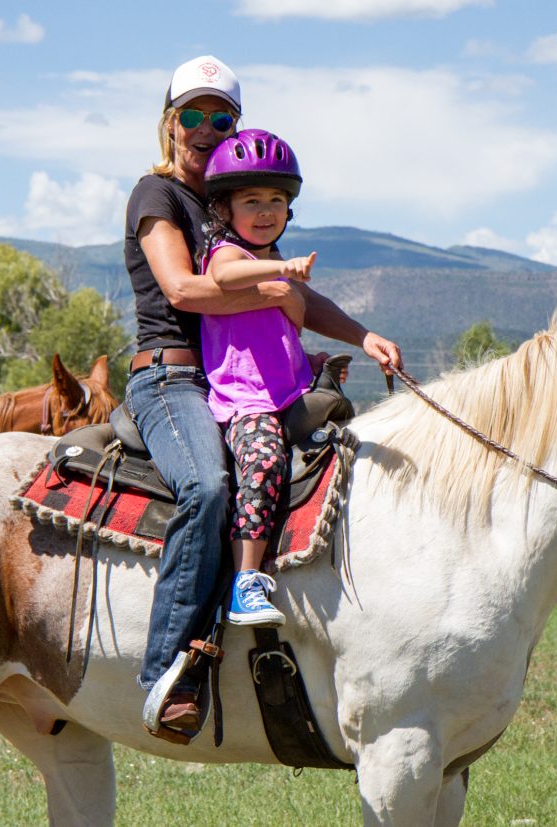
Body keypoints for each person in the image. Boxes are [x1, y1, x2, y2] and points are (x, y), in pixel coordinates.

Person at [125, 57, 402, 741]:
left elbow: (299, 301)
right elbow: (185, 291)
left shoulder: (243, 198)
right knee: (210, 485)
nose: (204, 127)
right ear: (169, 123)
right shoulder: (156, 197)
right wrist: (279, 284)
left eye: (220, 117)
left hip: (245, 372)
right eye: (191, 114)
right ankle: (167, 668)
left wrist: (362, 334)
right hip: (171, 375)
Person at [199, 128, 318, 628]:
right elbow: (222, 280)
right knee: (265, 461)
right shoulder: (231, 254)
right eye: (252, 200)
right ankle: (246, 581)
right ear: (225, 210)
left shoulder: (271, 264)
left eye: (276, 199)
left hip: (292, 393)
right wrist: (280, 274)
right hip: (246, 401)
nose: (267, 210)